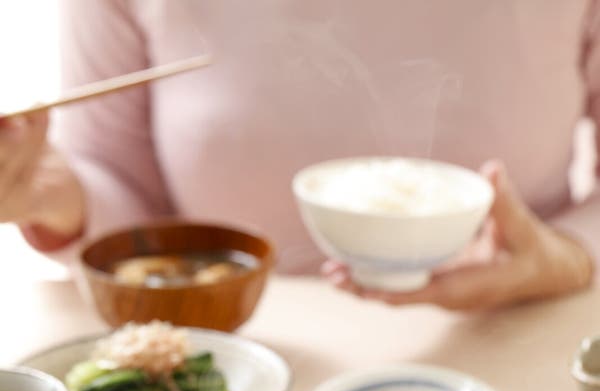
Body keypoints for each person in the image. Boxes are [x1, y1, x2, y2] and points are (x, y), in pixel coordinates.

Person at [0, 0, 598, 311]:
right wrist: (56, 197)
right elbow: (121, 186)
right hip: (231, 360)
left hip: (516, 337)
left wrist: (571, 256)